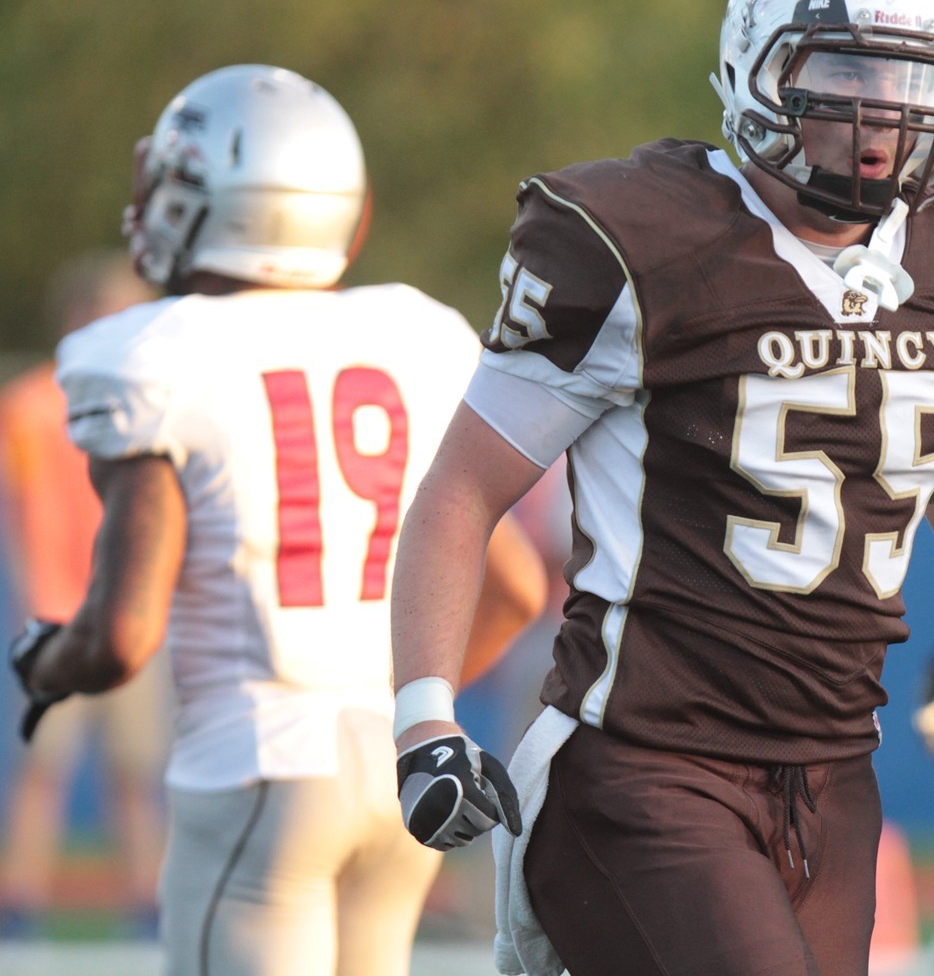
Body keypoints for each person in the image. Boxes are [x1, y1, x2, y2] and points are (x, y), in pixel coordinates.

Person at [386, 0, 934, 976]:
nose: (882, 114)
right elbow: (463, 488)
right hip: (645, 766)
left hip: (834, 777)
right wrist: (423, 720)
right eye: (846, 72)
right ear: (758, 65)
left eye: (912, 79)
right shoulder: (641, 240)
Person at [7, 64, 547, 976]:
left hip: (258, 764)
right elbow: (516, 588)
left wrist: (47, 660)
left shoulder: (155, 352)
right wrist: (406, 701)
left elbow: (121, 633)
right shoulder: (417, 334)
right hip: (397, 763)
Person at [0, 251, 167, 939]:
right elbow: (20, 510)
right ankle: (19, 905)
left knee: (137, 770)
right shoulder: (32, 405)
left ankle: (147, 905)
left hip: (133, 611)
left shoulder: (153, 401)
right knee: (45, 768)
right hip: (59, 614)